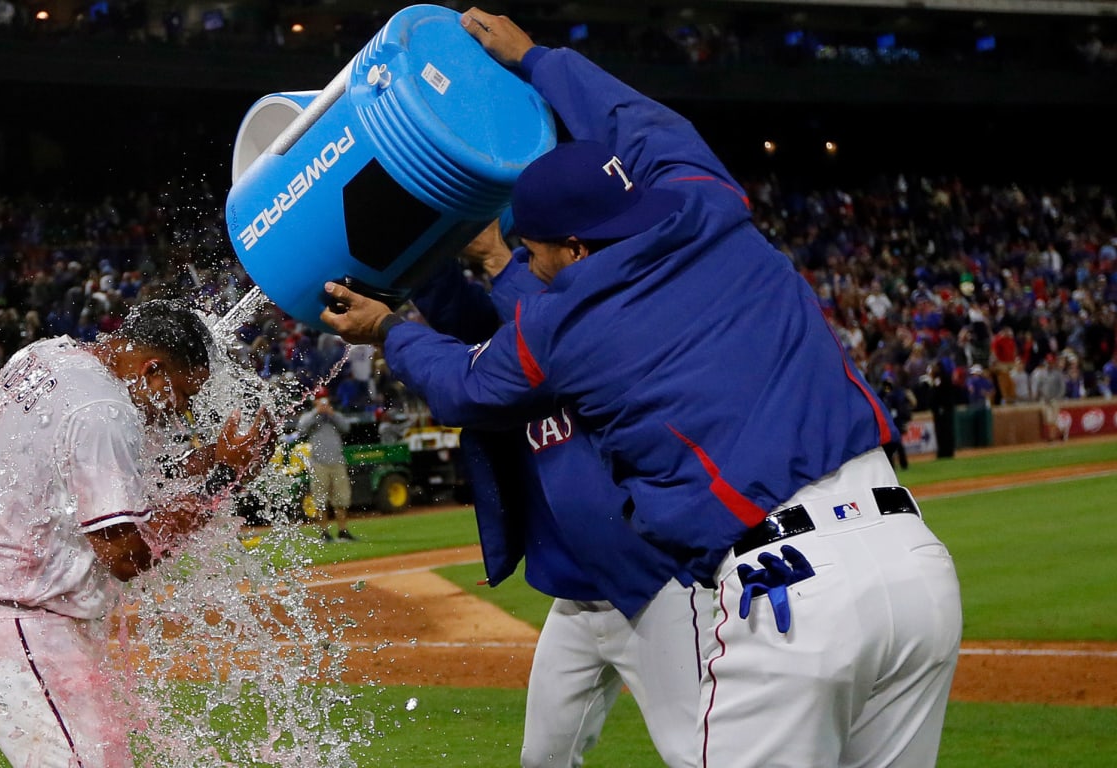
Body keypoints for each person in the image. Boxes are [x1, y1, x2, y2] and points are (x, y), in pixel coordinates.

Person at [321, 10, 961, 767]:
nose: (532, 267)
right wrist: (535, 58)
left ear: (576, 247)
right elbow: (638, 118)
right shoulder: (708, 203)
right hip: (916, 569)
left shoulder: (564, 323)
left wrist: (390, 331)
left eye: (535, 252)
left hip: (789, 592)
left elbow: (464, 387)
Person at [413, 224, 711, 768]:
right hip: (575, 597)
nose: (533, 266)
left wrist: (500, 260)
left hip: (655, 590)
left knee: (699, 753)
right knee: (544, 758)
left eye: (539, 256)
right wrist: (413, 250)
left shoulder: (613, 320)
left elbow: (566, 324)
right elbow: (461, 316)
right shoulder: (516, 340)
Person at [0, 300, 272, 768]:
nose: (179, 413)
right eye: (179, 394)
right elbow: (126, 555)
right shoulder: (104, 410)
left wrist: (214, 459)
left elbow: (97, 487)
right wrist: (223, 480)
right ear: (152, 369)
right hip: (24, 628)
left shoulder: (44, 356)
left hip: (2, 616)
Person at [296, 389, 356, 541]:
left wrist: (331, 413)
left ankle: (343, 531)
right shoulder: (311, 417)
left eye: (324, 399)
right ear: (314, 401)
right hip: (319, 463)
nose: (322, 402)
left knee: (341, 500)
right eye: (319, 399)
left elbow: (346, 427)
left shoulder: (334, 416)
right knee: (320, 501)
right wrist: (316, 412)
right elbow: (301, 428)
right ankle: (325, 533)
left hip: (337, 462)